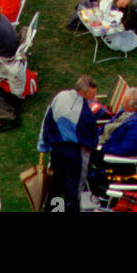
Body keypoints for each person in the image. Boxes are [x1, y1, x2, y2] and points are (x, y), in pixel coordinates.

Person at [39, 75, 100, 214]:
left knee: (55, 184)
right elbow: (90, 141)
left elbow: (47, 121)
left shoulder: (60, 96)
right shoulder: (85, 113)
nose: (95, 96)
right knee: (72, 187)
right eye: (93, 93)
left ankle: (54, 209)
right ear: (83, 92)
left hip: (56, 150)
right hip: (73, 153)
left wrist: (43, 145)